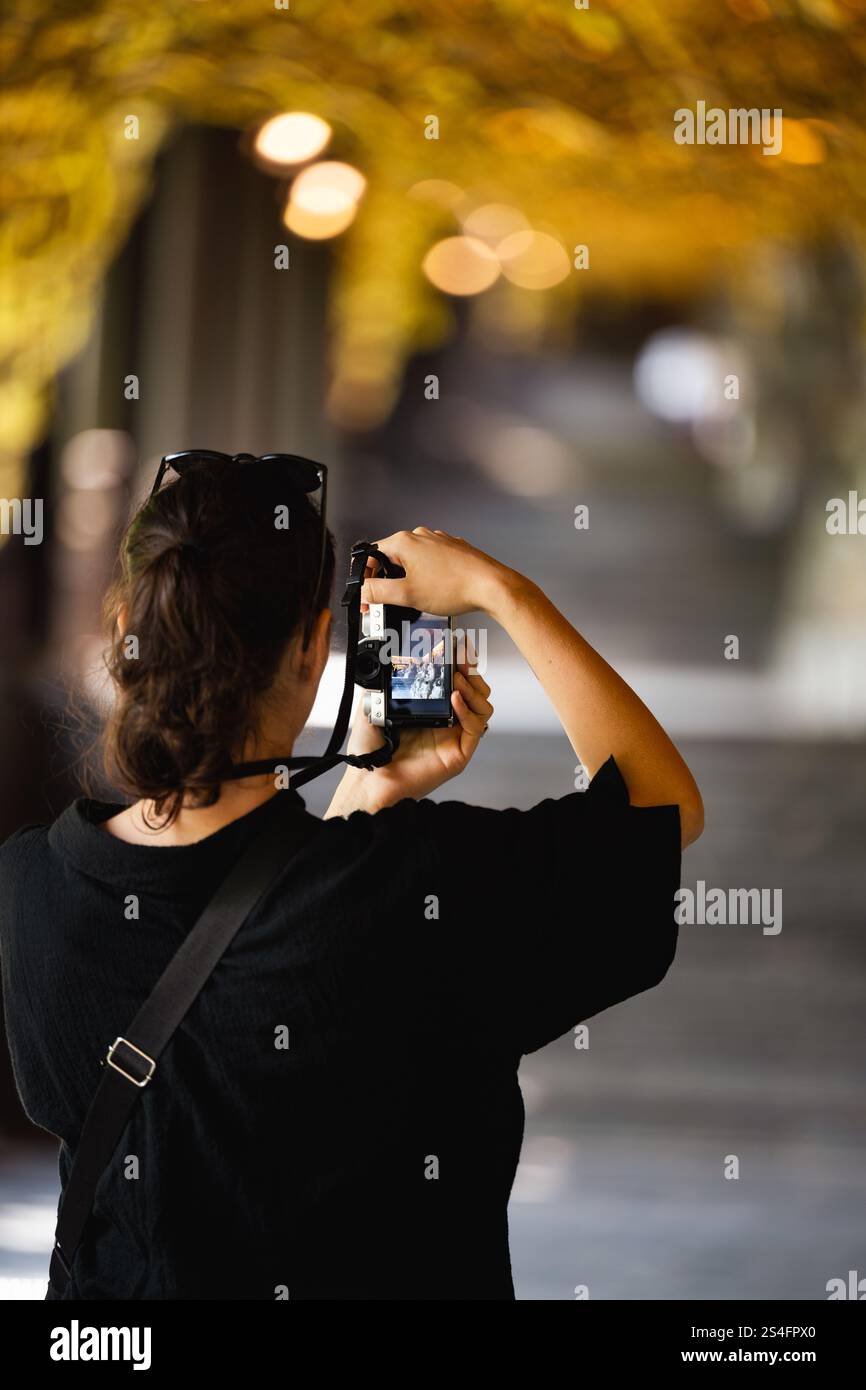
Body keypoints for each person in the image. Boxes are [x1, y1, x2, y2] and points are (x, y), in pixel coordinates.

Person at [0, 455, 703, 1301]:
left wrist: (368, 795)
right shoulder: (423, 893)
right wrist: (502, 591)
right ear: (311, 651)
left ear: (122, 631)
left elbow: (238, 988)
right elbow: (661, 812)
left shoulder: (28, 892)